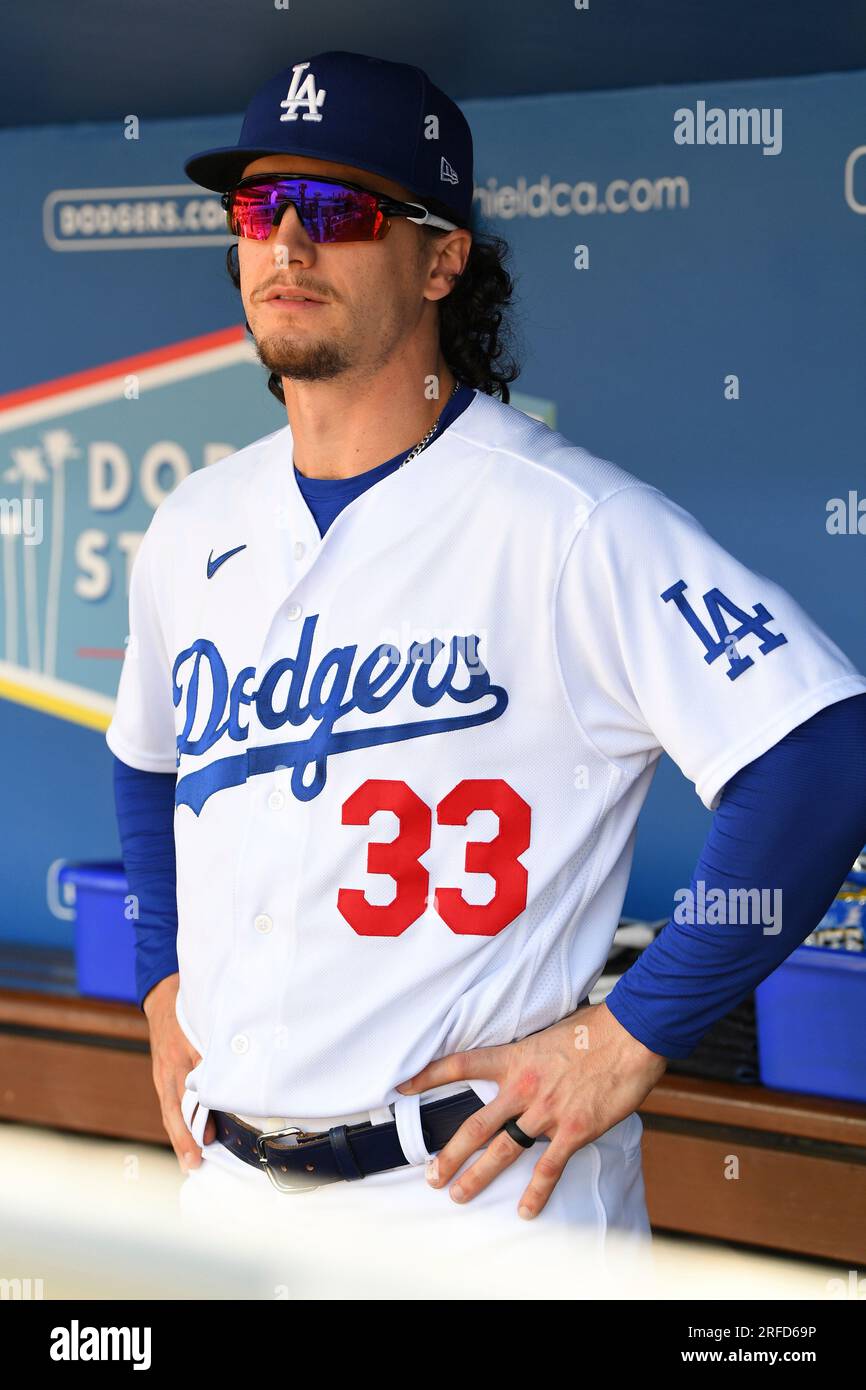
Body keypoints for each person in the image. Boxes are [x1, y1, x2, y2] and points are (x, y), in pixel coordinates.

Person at [107, 51, 866, 1269]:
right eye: (260, 209)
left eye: (340, 211)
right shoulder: (194, 525)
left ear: (442, 256)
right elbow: (146, 762)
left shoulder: (568, 525)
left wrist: (625, 1037)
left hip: (474, 1215)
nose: (287, 247)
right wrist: (158, 981)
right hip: (228, 1200)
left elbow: (822, 756)